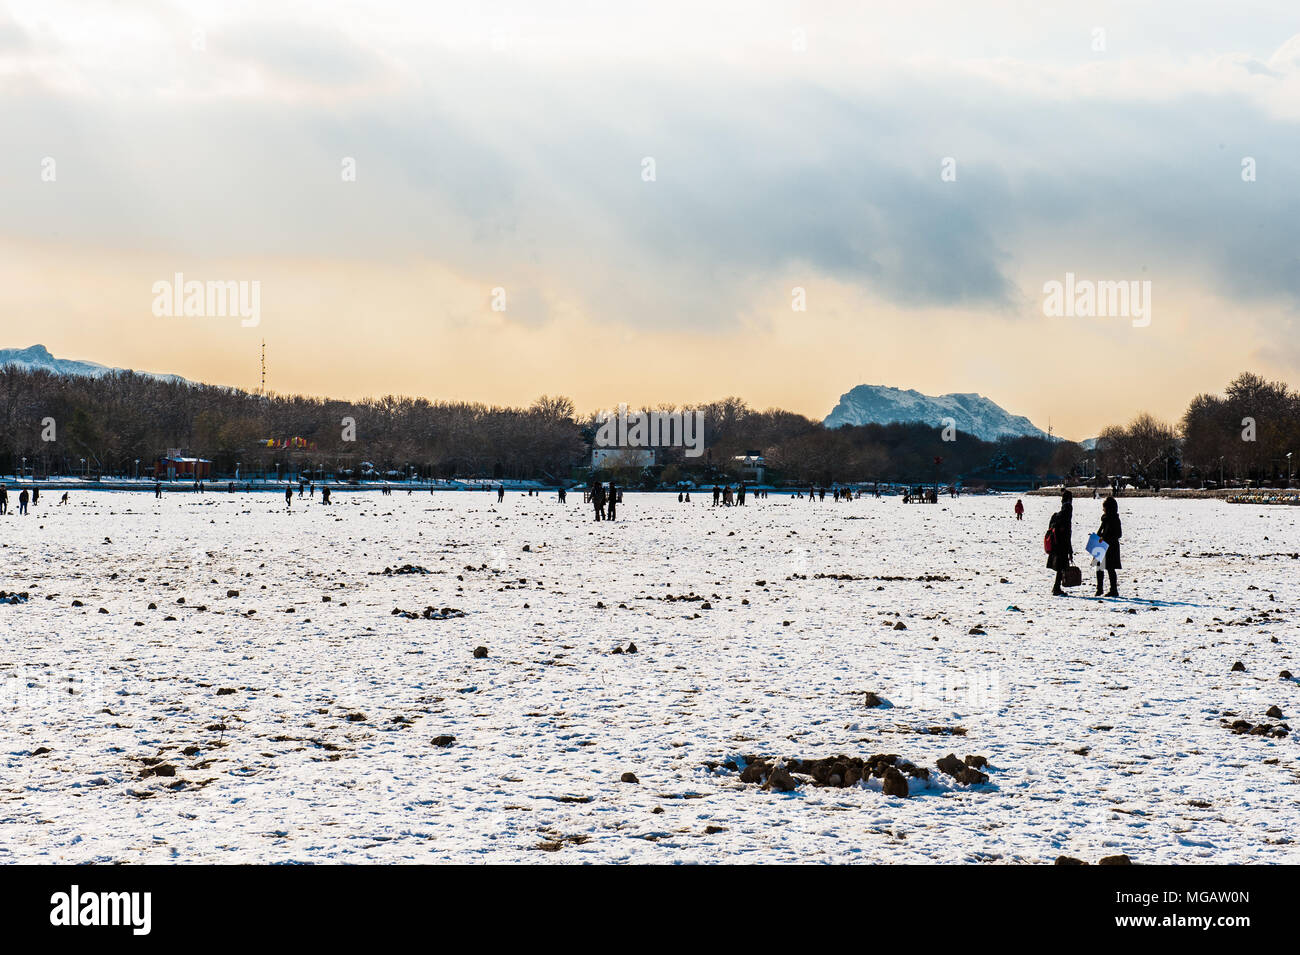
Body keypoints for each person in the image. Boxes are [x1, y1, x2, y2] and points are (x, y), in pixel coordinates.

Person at [1046, 490, 1074, 595]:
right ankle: (1056, 588)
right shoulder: (1068, 510)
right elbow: (1067, 533)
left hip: (1057, 544)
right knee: (1061, 566)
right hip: (1062, 544)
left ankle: (1056, 587)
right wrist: (1070, 550)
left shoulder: (1057, 515)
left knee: (1060, 567)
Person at [1095, 496, 1122, 597]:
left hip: (1110, 546)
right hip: (1102, 545)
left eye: (1104, 507)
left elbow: (1118, 534)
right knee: (1099, 567)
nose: (1103, 509)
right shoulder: (1105, 519)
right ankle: (1100, 589)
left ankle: (1113, 590)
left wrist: (1105, 538)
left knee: (1110, 568)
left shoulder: (1114, 519)